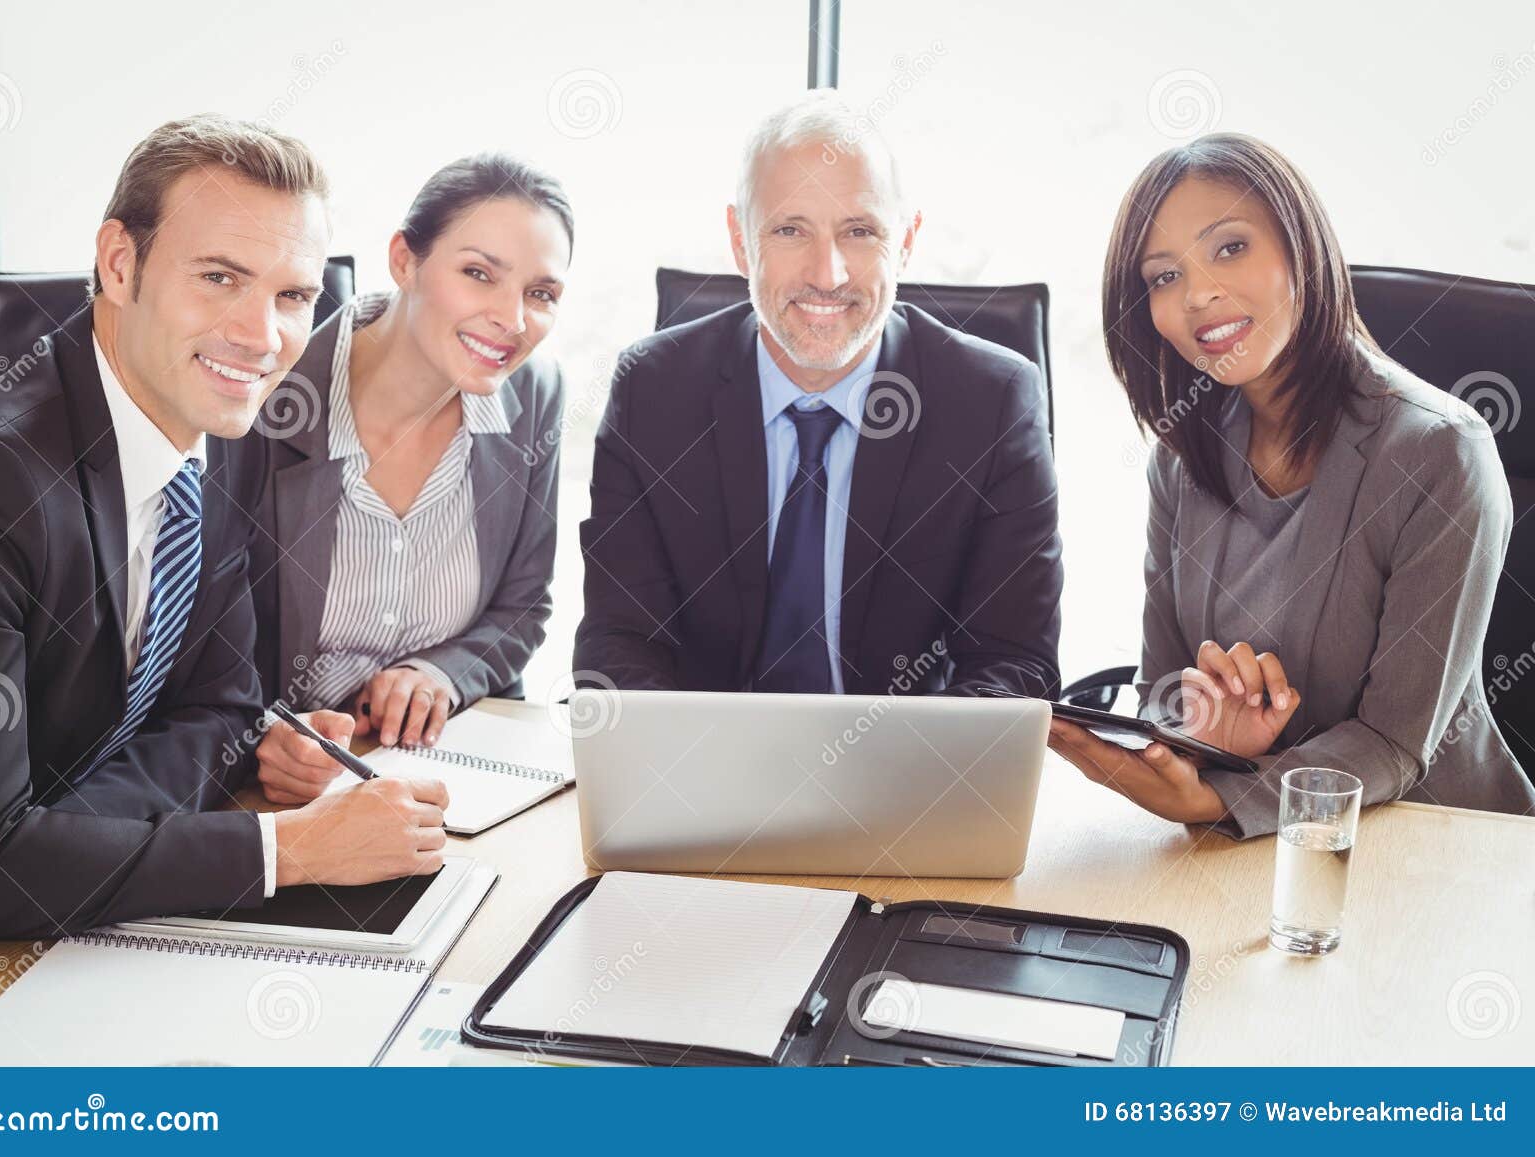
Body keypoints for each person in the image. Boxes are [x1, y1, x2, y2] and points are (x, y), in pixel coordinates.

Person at [0, 116, 449, 941]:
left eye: (292, 295)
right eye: (218, 277)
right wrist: (288, 849)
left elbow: (221, 707)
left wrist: (69, 841)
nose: (263, 337)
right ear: (119, 263)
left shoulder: (225, 437)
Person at [1050, 131, 1535, 837]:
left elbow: (1395, 743)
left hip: (1433, 847)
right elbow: (1162, 686)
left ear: (1300, 247)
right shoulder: (1182, 458)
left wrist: (1220, 801)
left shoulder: (1440, 452)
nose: (1200, 294)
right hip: (1252, 851)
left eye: (1230, 247)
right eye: (1164, 276)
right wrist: (1206, 736)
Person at [575, 91, 1062, 696]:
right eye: (789, 230)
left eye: (859, 231)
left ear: (906, 240)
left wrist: (910, 778)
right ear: (740, 239)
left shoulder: (994, 402)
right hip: (704, 767)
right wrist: (681, 765)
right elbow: (620, 638)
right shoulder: (652, 390)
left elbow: (1013, 662)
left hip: (904, 771)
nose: (827, 274)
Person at [248, 154, 569, 805]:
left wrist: (442, 671)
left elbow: (522, 607)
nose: (512, 319)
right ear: (404, 260)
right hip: (277, 791)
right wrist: (258, 730)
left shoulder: (533, 394)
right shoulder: (270, 385)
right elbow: (198, 639)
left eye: (540, 293)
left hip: (456, 778)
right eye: (479, 274)